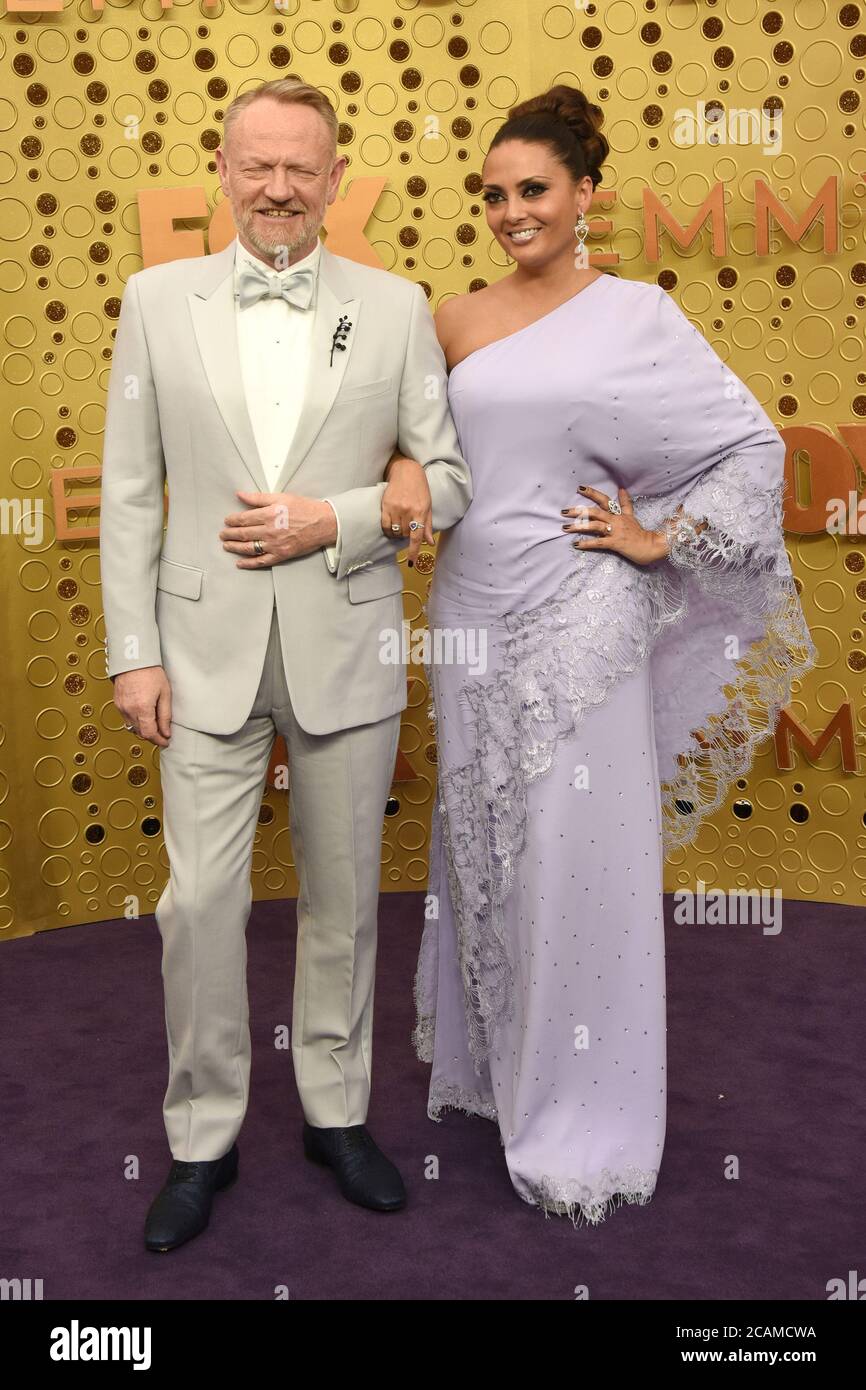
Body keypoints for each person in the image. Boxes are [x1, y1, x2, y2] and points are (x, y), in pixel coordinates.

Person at [391, 85, 816, 1225]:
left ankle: (582, 1109)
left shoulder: (638, 316)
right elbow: (415, 450)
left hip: (581, 622)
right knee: (484, 848)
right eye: (492, 193)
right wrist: (395, 480)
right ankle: (498, 1077)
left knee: (576, 863)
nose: (510, 211)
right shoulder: (451, 319)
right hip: (469, 619)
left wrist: (655, 538)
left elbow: (744, 444)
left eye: (533, 190)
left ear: (586, 194)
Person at [99, 77, 471, 1251]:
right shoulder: (155, 301)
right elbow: (126, 492)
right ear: (221, 167)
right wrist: (131, 654)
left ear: (334, 179)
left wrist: (342, 516)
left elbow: (445, 478)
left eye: (298, 168)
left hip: (342, 640)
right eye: (256, 164)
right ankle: (203, 1136)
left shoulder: (397, 305)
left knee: (343, 902)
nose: (276, 187)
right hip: (196, 651)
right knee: (199, 905)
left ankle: (335, 1112)